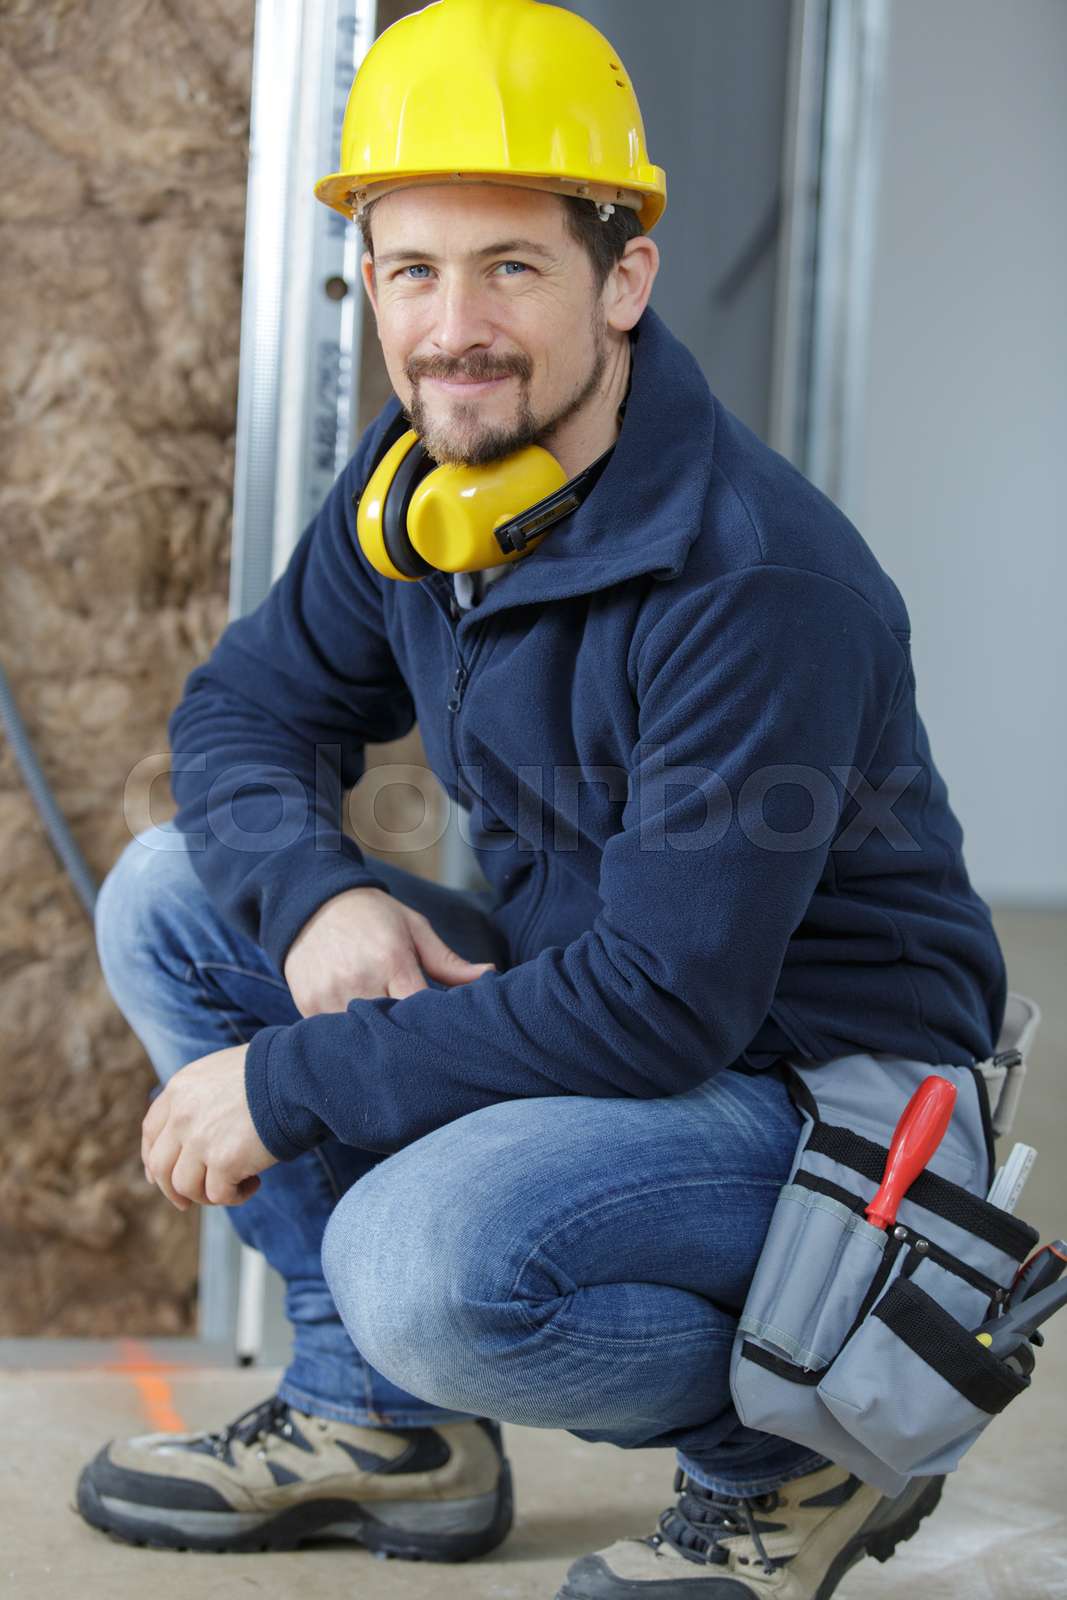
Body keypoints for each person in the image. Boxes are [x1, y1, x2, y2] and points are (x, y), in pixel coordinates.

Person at [77, 2, 1008, 1594]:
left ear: (621, 280)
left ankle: (797, 1452)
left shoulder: (755, 580)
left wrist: (294, 1080)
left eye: (512, 266)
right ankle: (382, 1424)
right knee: (176, 890)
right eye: (413, 269)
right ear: (368, 283)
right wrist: (322, 898)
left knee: (423, 1262)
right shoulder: (431, 491)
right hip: (623, 1001)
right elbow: (244, 709)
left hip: (829, 1101)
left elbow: (661, 1006)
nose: (456, 327)